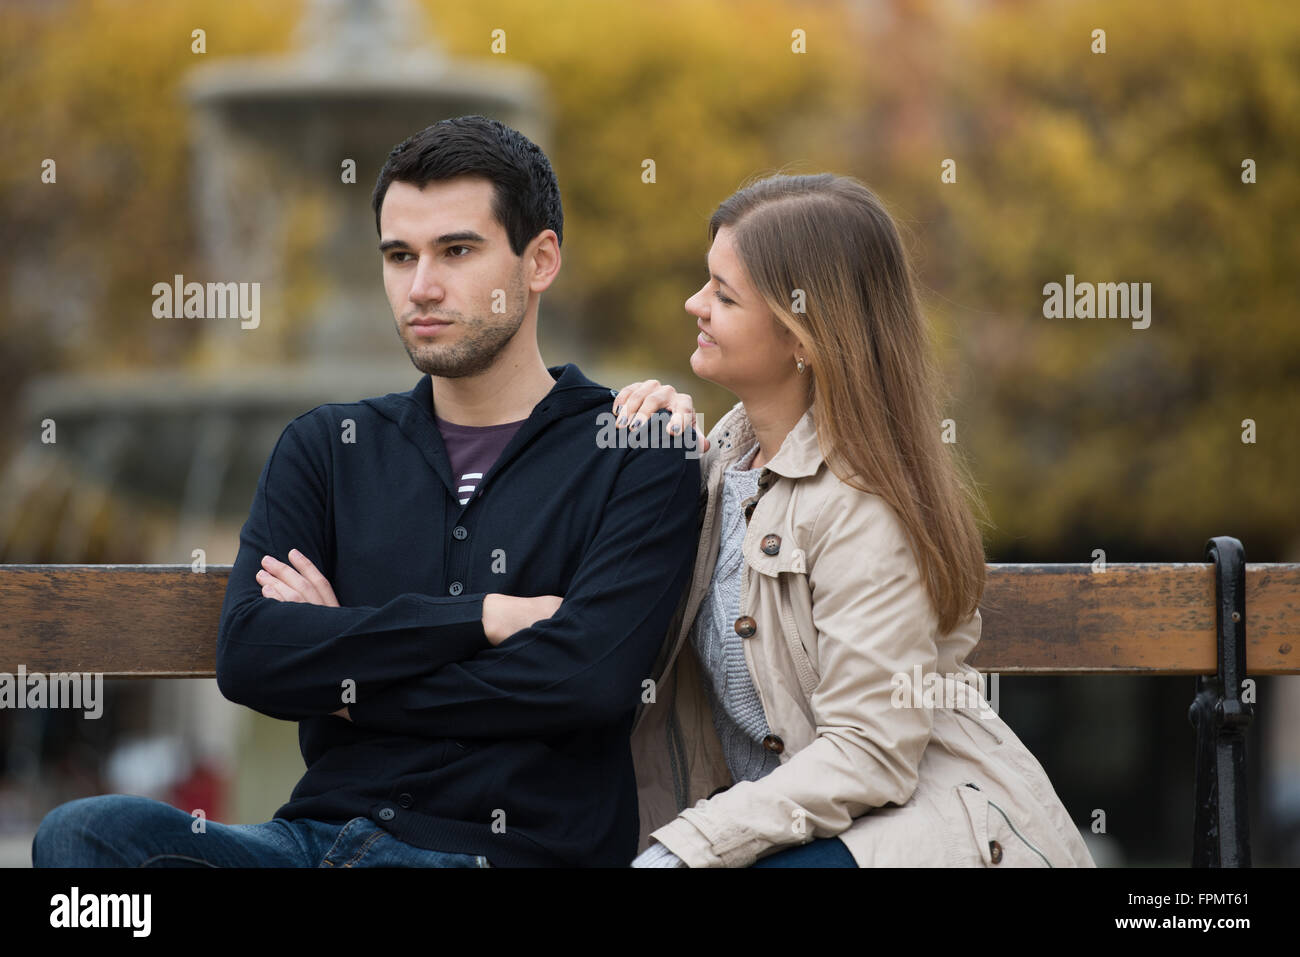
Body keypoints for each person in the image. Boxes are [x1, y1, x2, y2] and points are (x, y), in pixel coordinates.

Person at [31, 115, 705, 869]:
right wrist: (485, 617)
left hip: (501, 856)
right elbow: (252, 655)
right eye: (398, 255)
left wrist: (347, 679)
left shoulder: (636, 446)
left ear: (539, 259)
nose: (421, 287)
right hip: (312, 841)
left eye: (456, 250)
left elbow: (585, 680)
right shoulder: (326, 447)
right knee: (84, 838)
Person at [617, 173, 1097, 867]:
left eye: (724, 295)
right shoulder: (717, 464)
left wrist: (688, 847)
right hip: (796, 830)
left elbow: (869, 752)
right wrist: (636, 447)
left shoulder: (863, 508)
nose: (694, 304)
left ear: (804, 337)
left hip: (914, 835)